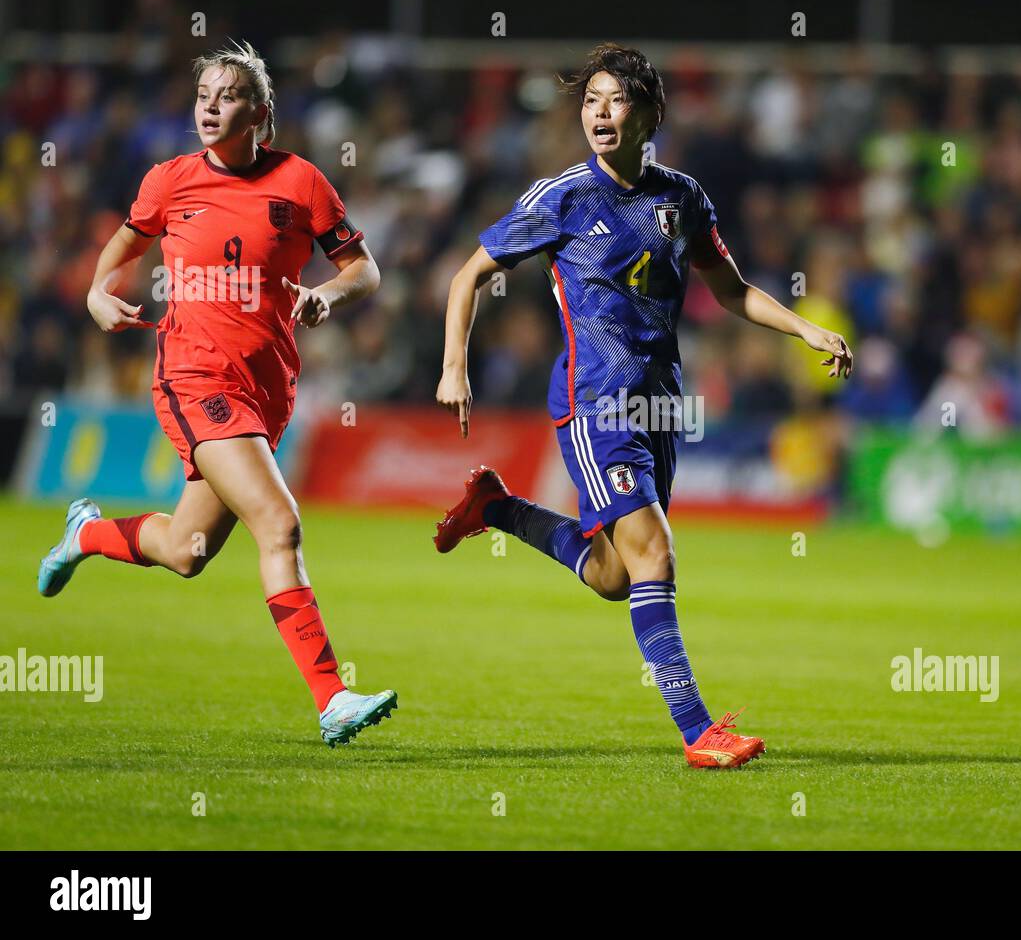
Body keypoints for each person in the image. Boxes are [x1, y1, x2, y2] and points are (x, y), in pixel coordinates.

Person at [434, 43, 852, 768]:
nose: (598, 112)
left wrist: (805, 327)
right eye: (590, 100)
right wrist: (453, 368)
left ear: (648, 113)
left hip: (659, 406)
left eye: (614, 100)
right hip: (592, 403)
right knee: (654, 551)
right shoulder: (560, 198)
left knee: (614, 575)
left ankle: (496, 507)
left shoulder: (681, 198)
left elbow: (731, 290)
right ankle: (700, 732)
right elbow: (468, 275)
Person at [38, 41, 397, 747]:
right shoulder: (169, 180)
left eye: (227, 94)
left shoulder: (302, 184)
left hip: (267, 390)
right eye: (203, 94)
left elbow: (365, 269)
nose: (210, 105)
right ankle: (332, 699)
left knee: (185, 550)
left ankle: (87, 532)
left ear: (261, 111)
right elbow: (120, 248)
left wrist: (327, 296)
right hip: (194, 376)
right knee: (279, 522)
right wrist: (96, 294)